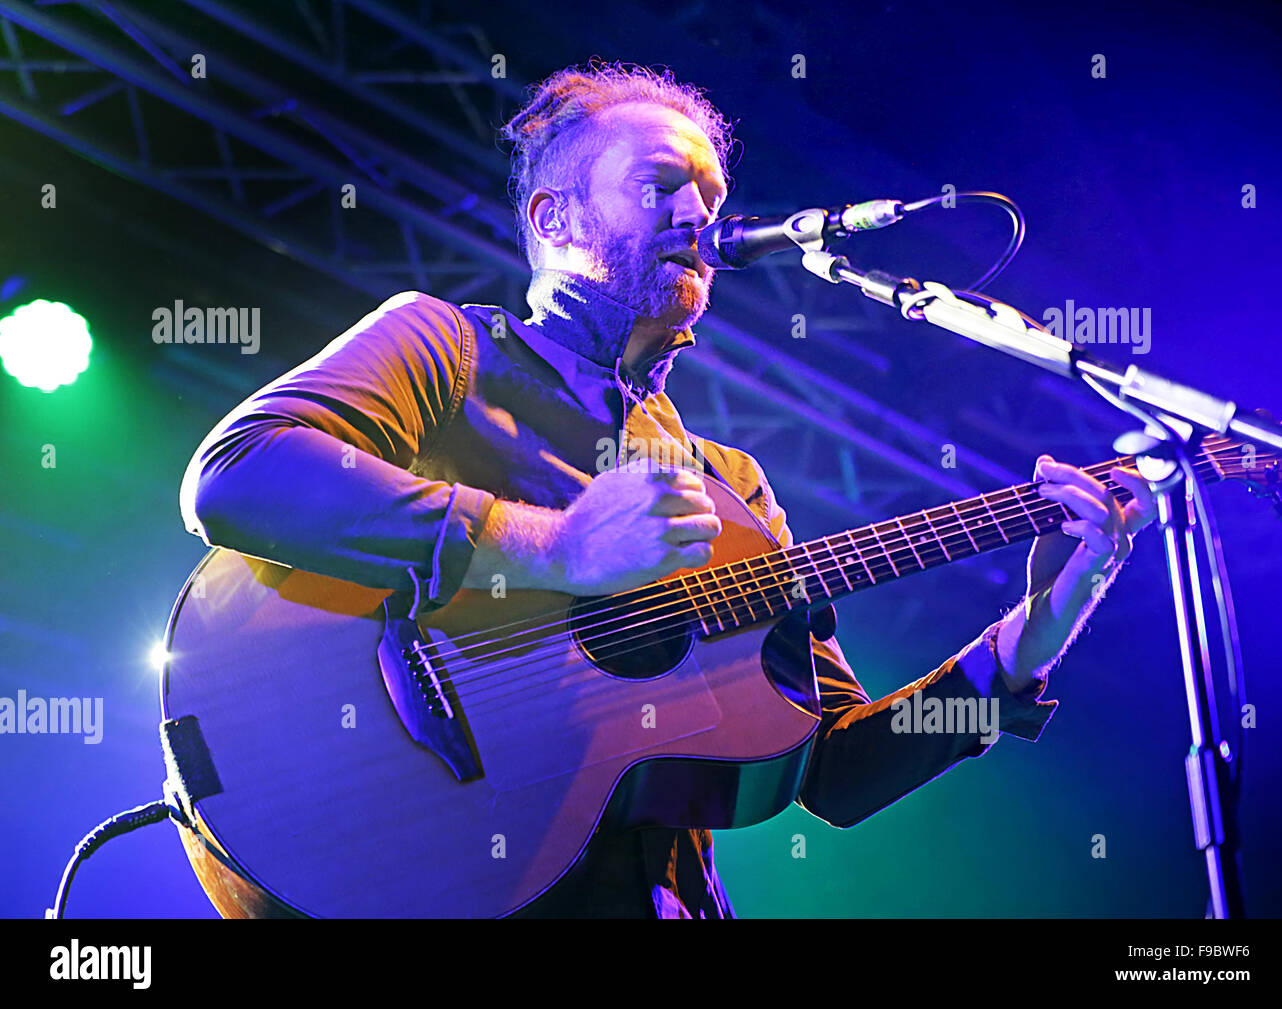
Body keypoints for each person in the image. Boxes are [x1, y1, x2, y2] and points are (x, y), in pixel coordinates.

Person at [179, 60, 1156, 918]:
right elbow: (240, 473)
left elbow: (833, 771)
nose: (699, 215)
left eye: (711, 193)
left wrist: (1033, 629)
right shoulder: (445, 348)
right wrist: (550, 550)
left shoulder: (729, 486)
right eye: (660, 184)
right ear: (552, 219)